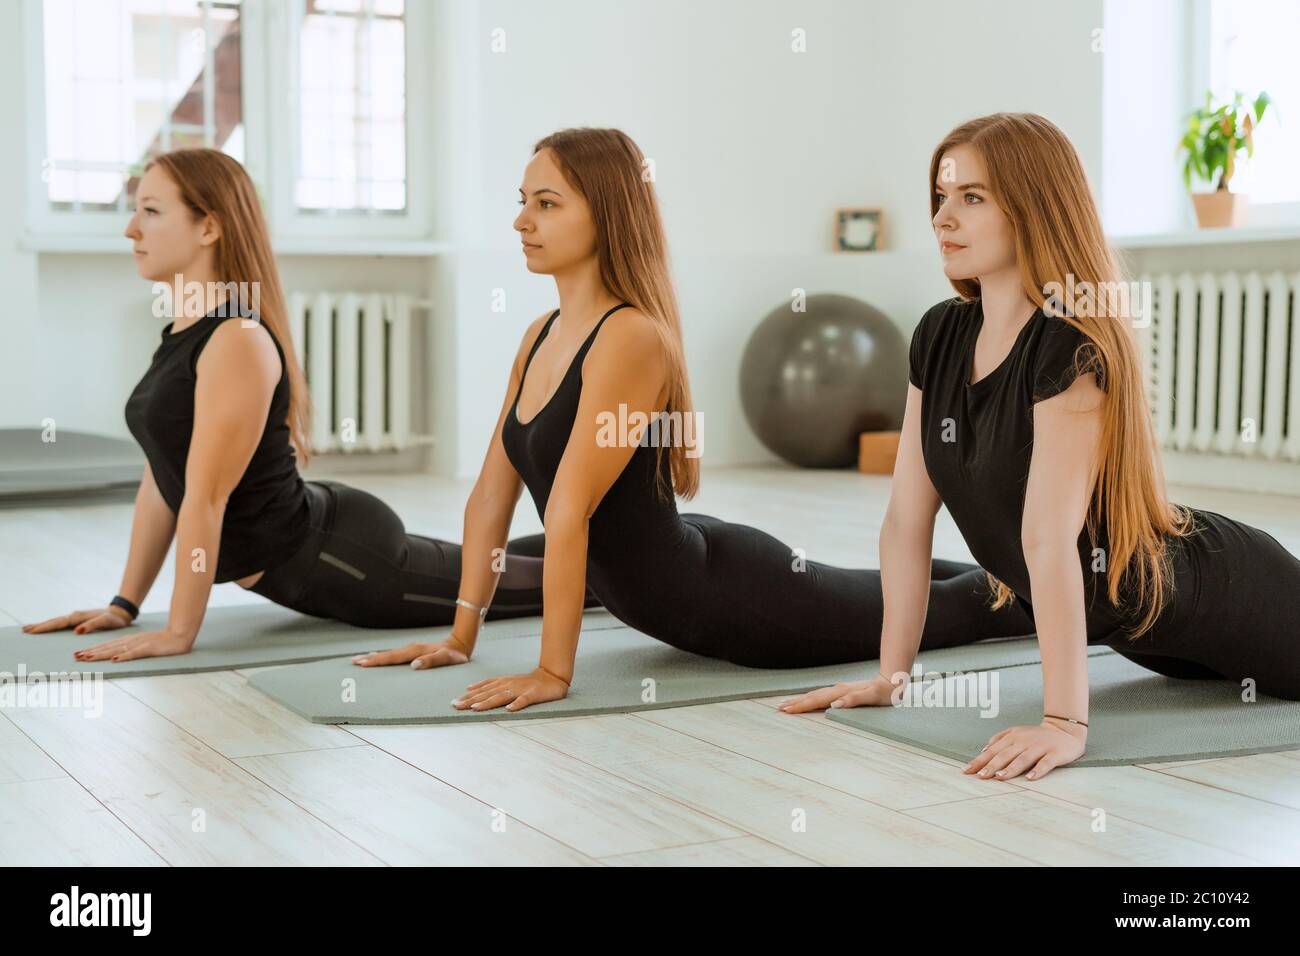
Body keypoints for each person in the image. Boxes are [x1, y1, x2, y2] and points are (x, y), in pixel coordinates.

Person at [351, 127, 1036, 704]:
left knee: (970, 606)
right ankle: (1023, 569)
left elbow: (567, 513)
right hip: (690, 559)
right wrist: (461, 633)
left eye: (547, 203)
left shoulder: (629, 337)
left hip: (733, 599)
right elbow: (489, 497)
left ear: (606, 214)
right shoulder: (539, 334)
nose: (521, 221)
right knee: (904, 584)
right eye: (523, 202)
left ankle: (1087, 587)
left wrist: (553, 672)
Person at [782, 112, 1300, 781]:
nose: (943, 218)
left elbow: (1049, 539)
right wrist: (892, 675)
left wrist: (1064, 724)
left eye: (972, 198)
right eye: (941, 197)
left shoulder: (1068, 345)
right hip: (1148, 637)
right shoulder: (938, 336)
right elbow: (905, 521)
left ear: (1034, 209)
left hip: (1226, 592)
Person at [21, 148, 596, 663]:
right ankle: (609, 544)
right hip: (324, 537)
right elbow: (162, 480)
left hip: (346, 559)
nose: (130, 229)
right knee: (496, 560)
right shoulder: (185, 331)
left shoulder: (236, 340)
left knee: (548, 587)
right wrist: (125, 604)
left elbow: (206, 498)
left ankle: (657, 550)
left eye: (150, 210)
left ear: (209, 228)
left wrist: (179, 632)